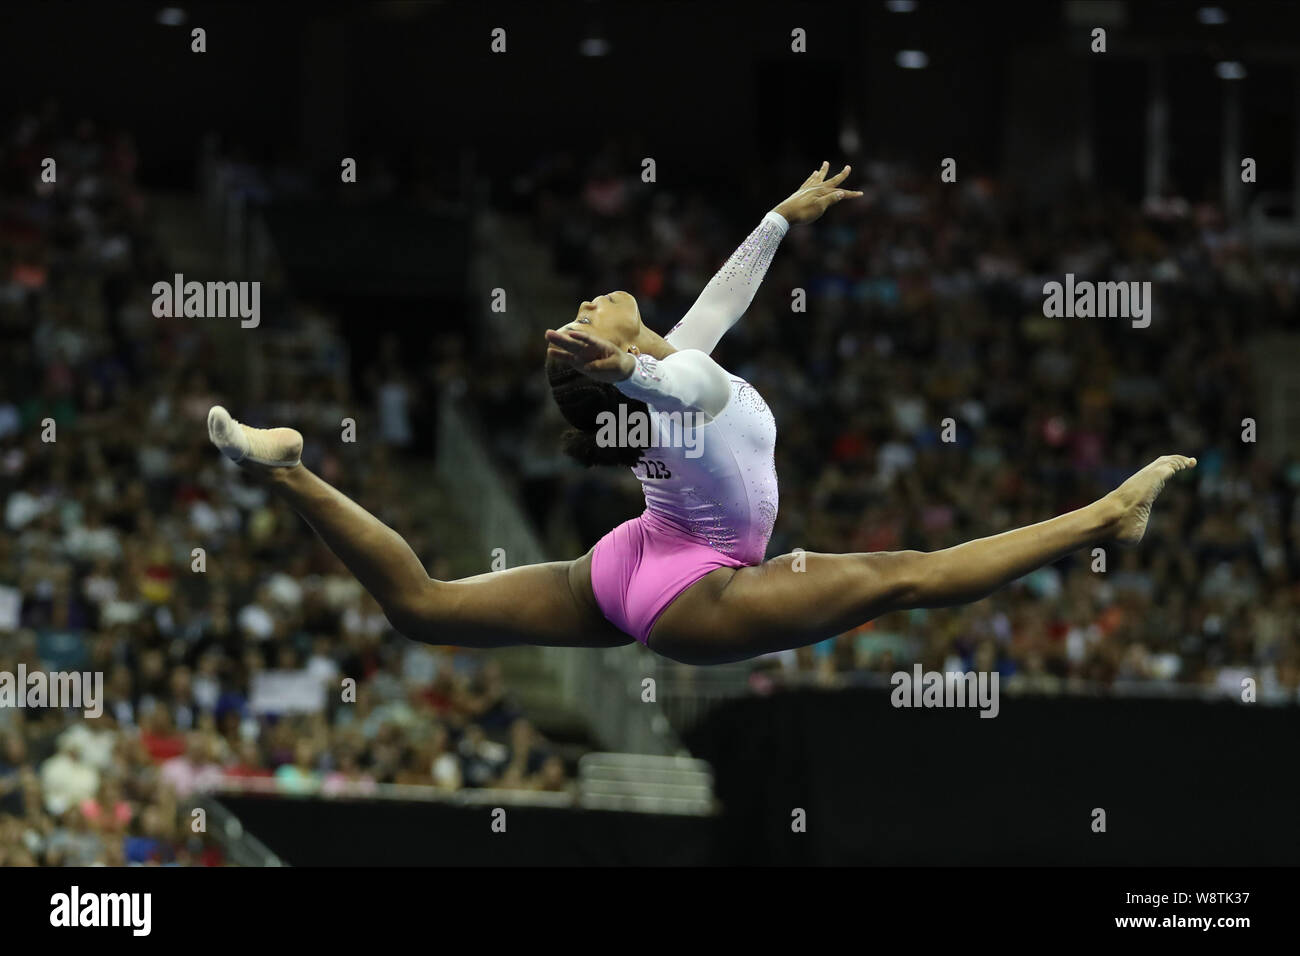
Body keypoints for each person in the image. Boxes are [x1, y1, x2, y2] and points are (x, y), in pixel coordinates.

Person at [207, 162, 1195, 666]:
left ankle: (289, 467)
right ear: (614, 356)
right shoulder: (674, 389)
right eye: (586, 312)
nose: (589, 299)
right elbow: (676, 381)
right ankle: (1107, 515)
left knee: (423, 607)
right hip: (693, 592)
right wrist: (620, 362)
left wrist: (777, 217)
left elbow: (717, 305)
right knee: (906, 577)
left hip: (636, 556)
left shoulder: (668, 365)